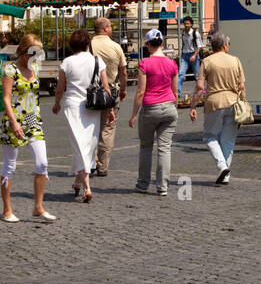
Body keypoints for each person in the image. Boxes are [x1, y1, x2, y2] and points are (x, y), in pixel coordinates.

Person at [0, 35, 54, 223]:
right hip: (13, 120)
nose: (37, 55)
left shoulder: (35, 68)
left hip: (32, 119)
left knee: (42, 163)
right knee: (10, 166)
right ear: (24, 50)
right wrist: (13, 122)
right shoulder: (10, 70)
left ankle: (38, 207)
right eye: (34, 52)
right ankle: (7, 210)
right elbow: (6, 98)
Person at [53, 28, 111, 203]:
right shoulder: (97, 60)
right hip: (92, 107)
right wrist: (109, 111)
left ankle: (86, 187)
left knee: (79, 145)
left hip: (73, 107)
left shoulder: (67, 62)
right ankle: (79, 183)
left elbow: (60, 87)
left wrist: (56, 103)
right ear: (88, 43)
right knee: (87, 145)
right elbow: (106, 88)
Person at [190, 31, 246, 184]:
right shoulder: (235, 60)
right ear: (224, 45)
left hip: (214, 102)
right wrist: (243, 104)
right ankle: (225, 174)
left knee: (210, 136)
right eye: (228, 44)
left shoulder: (207, 62)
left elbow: (199, 86)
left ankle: (222, 168)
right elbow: (242, 87)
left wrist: (193, 106)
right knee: (228, 140)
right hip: (233, 102)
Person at [128, 29, 178, 196]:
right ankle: (162, 186)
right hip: (169, 106)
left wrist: (134, 114)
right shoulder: (172, 64)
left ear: (148, 45)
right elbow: (175, 90)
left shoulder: (145, 64)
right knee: (165, 148)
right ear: (162, 44)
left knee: (146, 147)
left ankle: (143, 184)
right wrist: (174, 106)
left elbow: (140, 92)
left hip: (151, 108)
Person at [90, 17, 127, 178]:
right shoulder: (115, 46)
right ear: (105, 29)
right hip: (110, 90)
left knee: (90, 127)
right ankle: (102, 165)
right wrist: (124, 90)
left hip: (90, 91)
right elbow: (123, 72)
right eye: (110, 26)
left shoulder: (88, 45)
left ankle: (90, 163)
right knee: (108, 128)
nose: (111, 28)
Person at [178, 16, 202, 88]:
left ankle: (201, 92)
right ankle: (177, 94)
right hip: (185, 55)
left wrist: (194, 55)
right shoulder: (183, 33)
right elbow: (184, 45)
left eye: (188, 23)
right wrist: (182, 54)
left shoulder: (195, 33)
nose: (186, 25)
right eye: (185, 23)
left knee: (197, 75)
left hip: (194, 54)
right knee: (181, 74)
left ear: (191, 24)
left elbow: (199, 46)